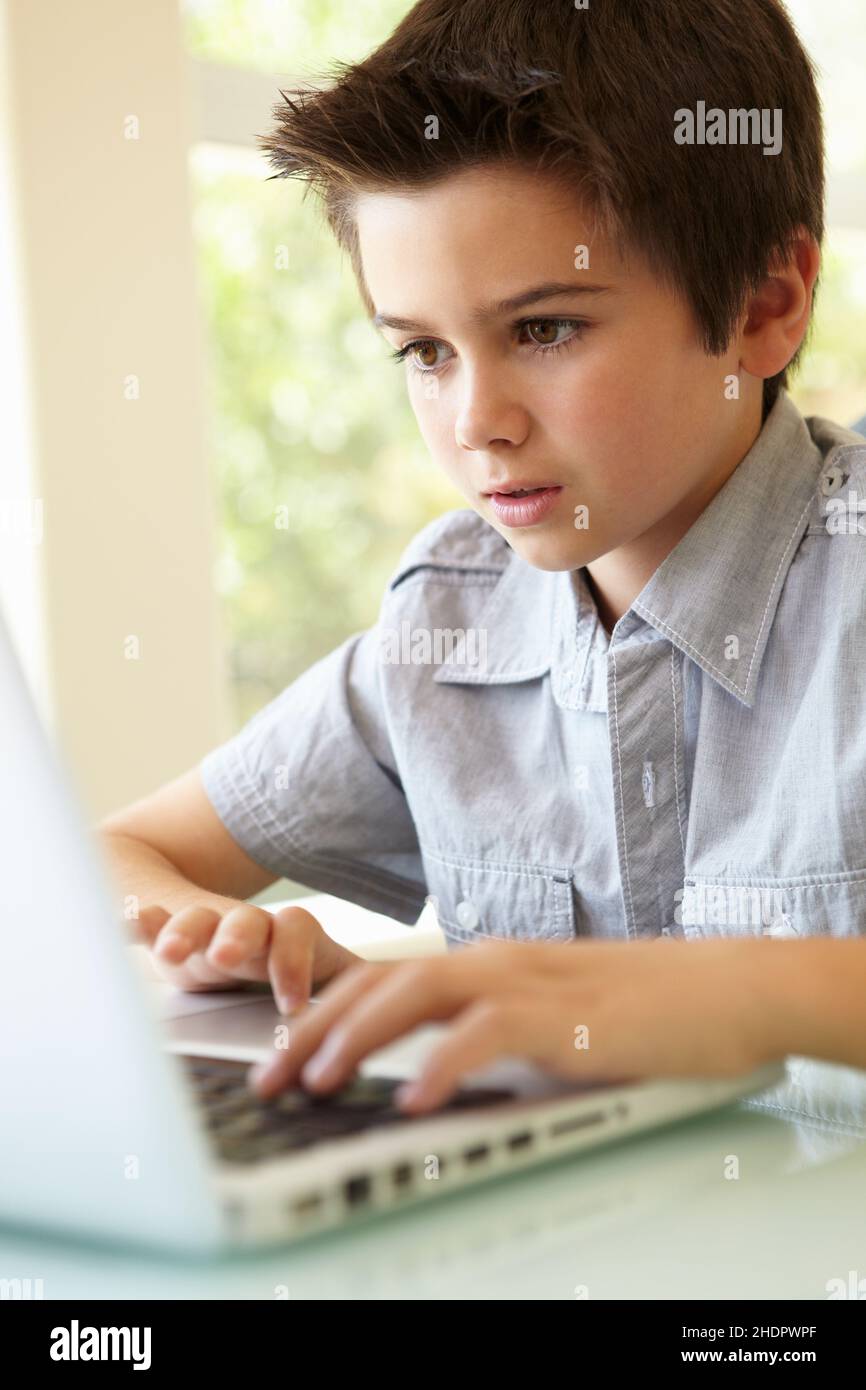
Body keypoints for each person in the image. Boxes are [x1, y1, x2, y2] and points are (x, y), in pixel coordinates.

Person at [98, 0, 866, 1112]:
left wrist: (747, 993)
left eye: (543, 329)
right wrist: (210, 937)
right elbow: (107, 857)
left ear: (763, 304)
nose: (475, 421)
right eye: (421, 350)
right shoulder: (447, 627)